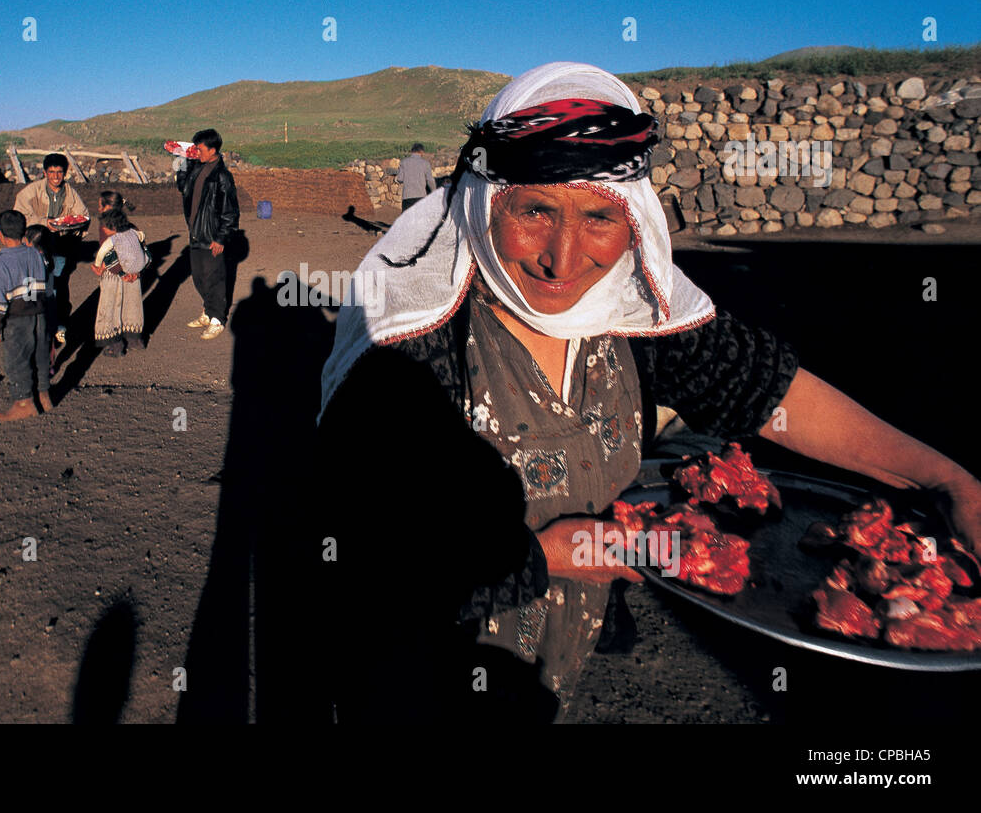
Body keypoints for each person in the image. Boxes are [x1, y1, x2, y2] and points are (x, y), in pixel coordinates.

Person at [315, 61, 981, 723]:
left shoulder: (626, 309)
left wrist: (944, 480)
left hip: (546, 676)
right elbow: (369, 553)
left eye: (599, 217)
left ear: (632, 216)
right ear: (486, 202)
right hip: (419, 680)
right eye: (535, 210)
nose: (563, 259)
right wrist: (546, 555)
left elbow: (765, 389)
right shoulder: (411, 348)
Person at [13, 153, 89, 344]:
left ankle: (60, 326)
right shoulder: (30, 192)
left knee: (59, 285)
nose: (56, 177)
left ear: (65, 173)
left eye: (60, 172)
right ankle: (38, 327)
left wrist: (73, 225)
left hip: (60, 247)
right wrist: (43, 223)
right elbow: (19, 217)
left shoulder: (69, 191)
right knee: (35, 286)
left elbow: (83, 214)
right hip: (35, 247)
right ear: (45, 173)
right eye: (52, 172)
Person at [0, 210, 51, 422]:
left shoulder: (1, 262)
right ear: (24, 232)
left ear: (0, 234)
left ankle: (24, 403)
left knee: (18, 360)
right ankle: (43, 396)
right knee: (40, 356)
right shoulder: (35, 254)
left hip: (16, 319)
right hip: (40, 313)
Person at [175, 128, 239, 340]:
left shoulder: (223, 176)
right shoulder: (197, 169)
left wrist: (221, 238)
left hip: (212, 235)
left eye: (200, 149)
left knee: (215, 278)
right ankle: (208, 311)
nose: (197, 152)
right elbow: (182, 187)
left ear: (212, 150)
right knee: (199, 277)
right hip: (195, 232)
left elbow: (231, 211)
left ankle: (217, 319)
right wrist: (183, 162)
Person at [90, 193, 147, 355]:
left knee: (112, 306)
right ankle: (135, 340)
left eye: (101, 206)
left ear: (109, 207)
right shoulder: (132, 227)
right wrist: (138, 272)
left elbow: (107, 253)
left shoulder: (105, 227)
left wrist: (107, 267)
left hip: (114, 274)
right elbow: (143, 249)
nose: (99, 209)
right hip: (133, 274)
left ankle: (115, 344)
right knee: (132, 305)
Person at [23, 224, 59, 376]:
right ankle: (50, 364)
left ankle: (38, 366)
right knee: (47, 335)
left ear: (31, 242)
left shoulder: (32, 261)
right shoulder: (47, 256)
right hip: (49, 299)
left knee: (36, 336)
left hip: (36, 303)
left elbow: (30, 288)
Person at [395, 142, 435, 210]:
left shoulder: (403, 162)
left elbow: (400, 179)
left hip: (407, 197)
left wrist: (396, 179)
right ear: (421, 151)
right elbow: (430, 180)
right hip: (421, 196)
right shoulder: (426, 163)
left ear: (412, 151)